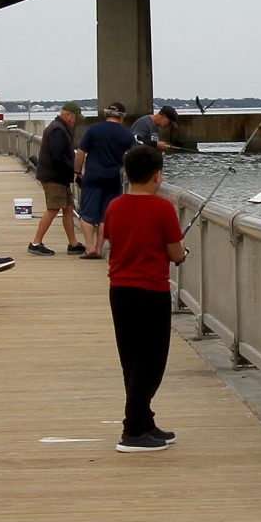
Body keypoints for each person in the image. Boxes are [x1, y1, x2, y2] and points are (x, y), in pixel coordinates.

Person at [105, 143, 186, 452]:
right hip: (151, 292)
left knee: (131, 359)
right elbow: (175, 252)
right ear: (157, 176)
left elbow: (113, 239)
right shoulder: (162, 208)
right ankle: (133, 430)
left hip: (120, 291)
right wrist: (181, 255)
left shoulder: (114, 206)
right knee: (152, 362)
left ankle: (145, 420)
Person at [74, 102, 136, 260]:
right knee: (106, 216)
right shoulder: (127, 135)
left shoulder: (94, 130)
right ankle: (100, 249)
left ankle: (90, 248)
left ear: (106, 114)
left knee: (87, 213)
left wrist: (77, 172)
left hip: (92, 177)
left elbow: (80, 153)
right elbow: (134, 156)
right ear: (122, 117)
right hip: (113, 178)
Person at [31, 102, 84, 255]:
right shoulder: (57, 130)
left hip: (60, 178)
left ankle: (73, 243)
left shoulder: (58, 128)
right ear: (68, 115)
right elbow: (58, 157)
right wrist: (74, 170)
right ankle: (36, 242)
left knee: (68, 208)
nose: (75, 121)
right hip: (54, 177)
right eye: (74, 118)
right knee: (53, 209)